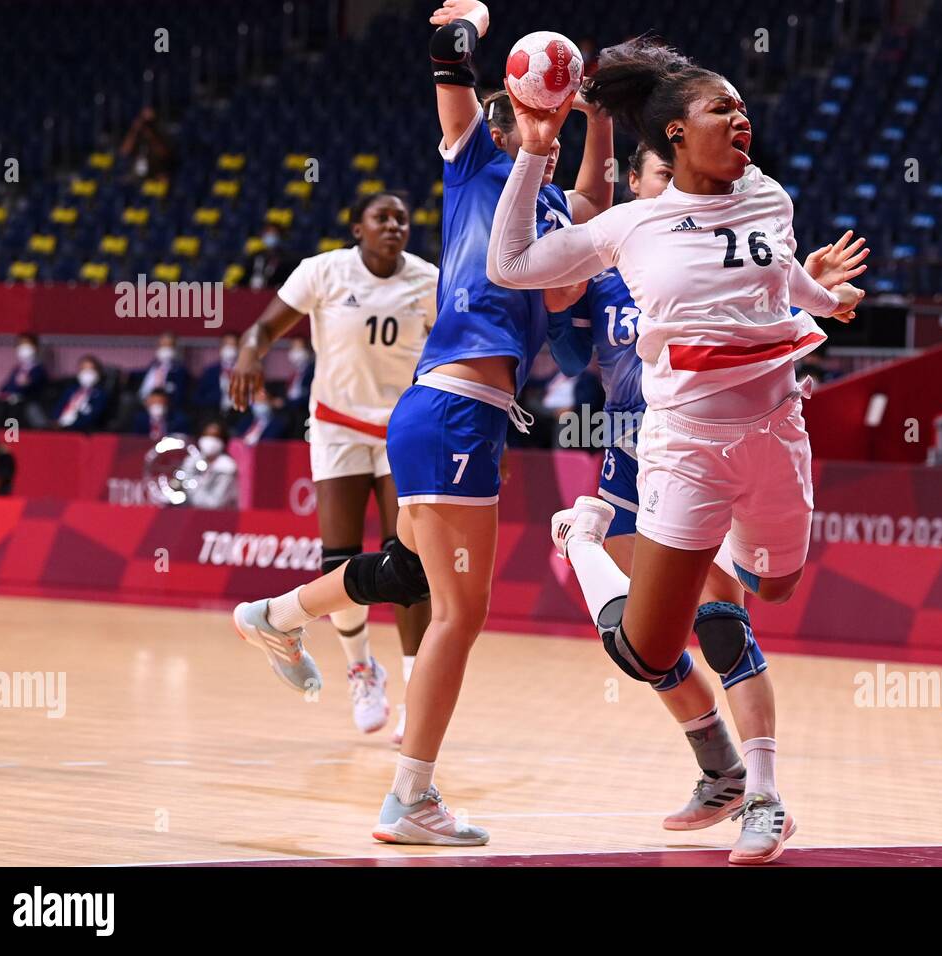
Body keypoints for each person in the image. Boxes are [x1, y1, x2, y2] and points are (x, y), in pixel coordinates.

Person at [232, 0, 615, 847]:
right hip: (450, 413)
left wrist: (601, 117)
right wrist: (473, 19)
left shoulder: (554, 214)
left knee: (408, 573)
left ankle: (278, 615)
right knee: (459, 614)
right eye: (511, 112)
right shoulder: (473, 162)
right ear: (500, 114)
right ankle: (411, 799)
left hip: (453, 416)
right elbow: (450, 59)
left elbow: (594, 199)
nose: (523, 123)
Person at [487, 38, 865, 864]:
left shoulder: (771, 197)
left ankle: (744, 770)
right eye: (720, 109)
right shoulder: (631, 228)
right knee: (652, 651)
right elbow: (510, 264)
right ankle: (761, 795)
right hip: (684, 448)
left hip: (776, 435)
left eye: (739, 106)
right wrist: (539, 148)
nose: (741, 117)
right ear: (670, 138)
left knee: (779, 584)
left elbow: (774, 277)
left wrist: (819, 294)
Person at [544, 141, 815, 847]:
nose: (677, 187)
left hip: (707, 448)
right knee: (649, 648)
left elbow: (776, 301)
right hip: (630, 465)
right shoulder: (604, 274)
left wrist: (806, 300)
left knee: (724, 626)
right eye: (661, 176)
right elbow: (568, 343)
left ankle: (764, 796)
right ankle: (719, 771)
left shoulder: (725, 242)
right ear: (634, 184)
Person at [230, 193, 438, 739]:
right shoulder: (322, 271)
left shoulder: (428, 281)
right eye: (381, 218)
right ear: (357, 227)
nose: (393, 225)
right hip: (338, 425)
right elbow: (264, 329)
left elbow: (455, 353)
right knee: (338, 557)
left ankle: (417, 690)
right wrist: (250, 352)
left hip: (402, 427)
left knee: (411, 561)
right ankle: (362, 667)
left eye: (401, 219)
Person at [182, 422, 239, 510]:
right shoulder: (191, 461)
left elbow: (217, 502)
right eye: (206, 435)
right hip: (187, 512)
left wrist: (193, 494)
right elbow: (183, 486)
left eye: (215, 436)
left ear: (222, 441)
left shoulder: (227, 468)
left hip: (216, 516)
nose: (209, 440)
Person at [0, 333, 49, 425]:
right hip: (10, 403)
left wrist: (22, 387)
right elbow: (5, 387)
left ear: (35, 348)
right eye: (20, 345)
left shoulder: (39, 369)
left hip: (27, 405)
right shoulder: (18, 369)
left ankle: (12, 436)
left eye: (27, 345)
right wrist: (7, 394)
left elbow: (30, 388)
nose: (24, 348)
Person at [53, 356, 111, 432]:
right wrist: (56, 421)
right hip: (60, 428)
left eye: (90, 369)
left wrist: (71, 425)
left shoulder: (100, 394)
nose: (86, 373)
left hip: (80, 430)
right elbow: (59, 406)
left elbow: (95, 416)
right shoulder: (71, 390)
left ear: (98, 372)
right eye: (83, 369)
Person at [194, 332, 240, 420]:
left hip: (238, 415)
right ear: (221, 347)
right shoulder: (210, 371)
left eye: (233, 345)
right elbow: (198, 397)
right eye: (227, 344)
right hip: (213, 414)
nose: (230, 348)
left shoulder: (246, 372)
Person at [242, 223, 299, 290]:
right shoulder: (255, 257)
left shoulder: (284, 259)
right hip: (251, 293)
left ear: (278, 237)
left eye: (273, 233)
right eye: (267, 232)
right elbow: (245, 277)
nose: (270, 235)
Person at [136, 332, 189, 402]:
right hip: (143, 399)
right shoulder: (154, 365)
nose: (165, 348)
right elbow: (141, 373)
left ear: (175, 348)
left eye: (169, 345)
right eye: (162, 345)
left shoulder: (179, 370)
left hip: (162, 402)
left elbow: (178, 394)